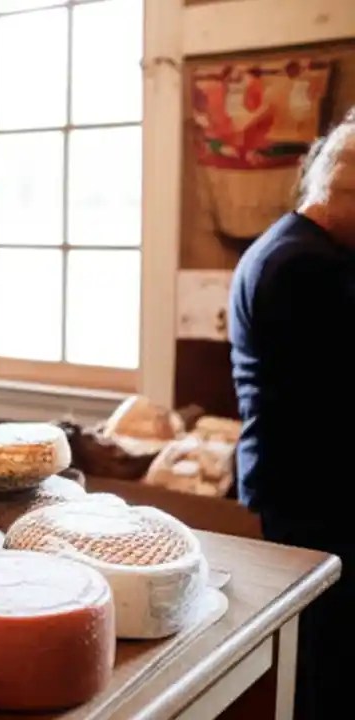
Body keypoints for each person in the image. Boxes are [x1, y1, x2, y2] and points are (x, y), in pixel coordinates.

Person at [228, 110, 355, 719]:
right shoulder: (307, 266)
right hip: (315, 487)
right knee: (324, 659)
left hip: (297, 477)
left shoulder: (290, 245)